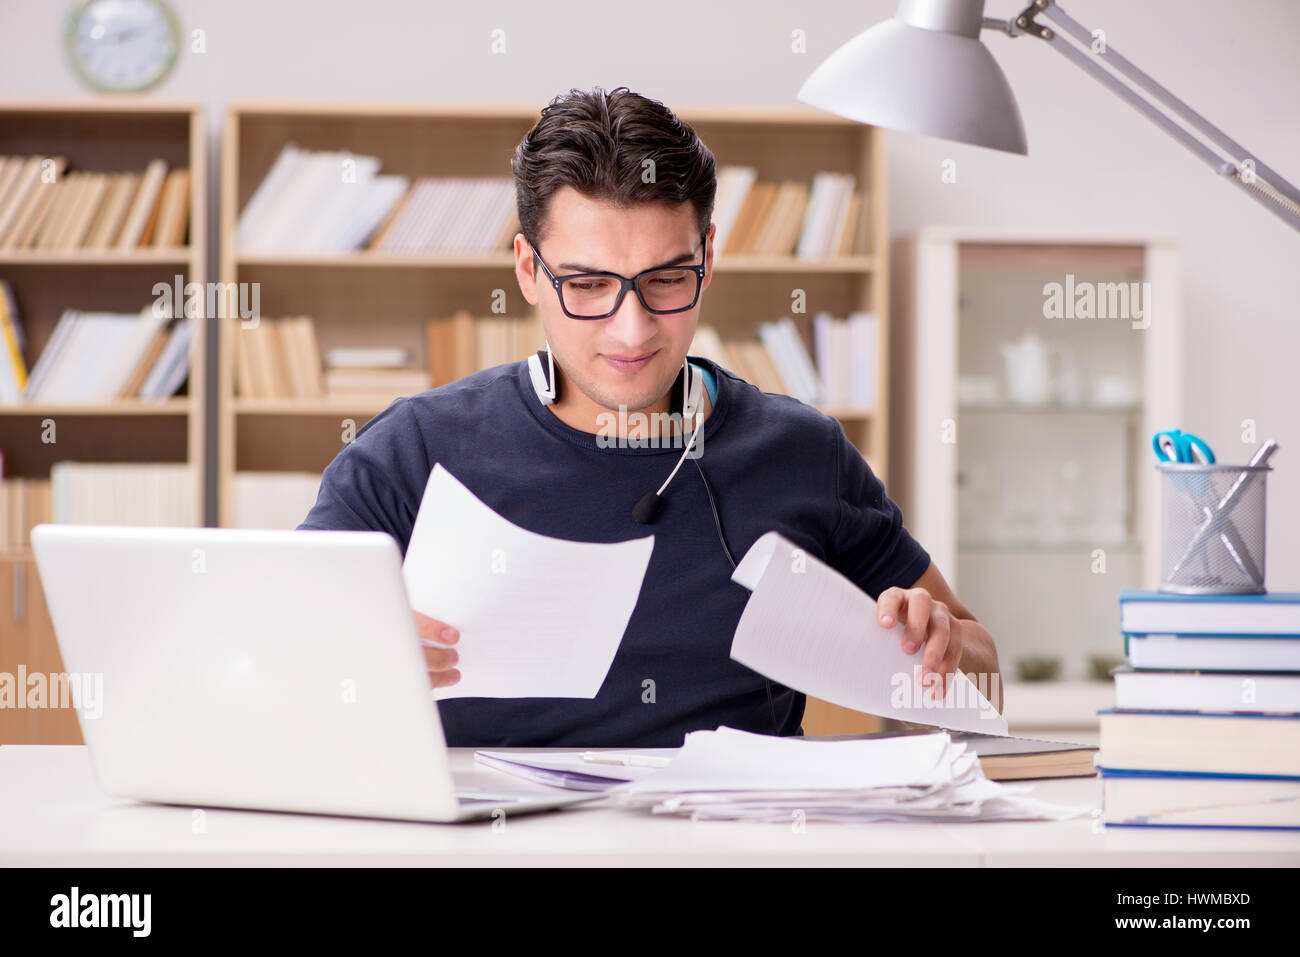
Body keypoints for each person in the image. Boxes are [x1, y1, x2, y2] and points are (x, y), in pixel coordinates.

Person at [297, 85, 1002, 746]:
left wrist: (938, 644)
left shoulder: (802, 451)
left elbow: (986, 681)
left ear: (708, 256)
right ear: (527, 270)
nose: (631, 330)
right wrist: (348, 657)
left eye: (666, 280)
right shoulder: (415, 450)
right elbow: (268, 655)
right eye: (589, 284)